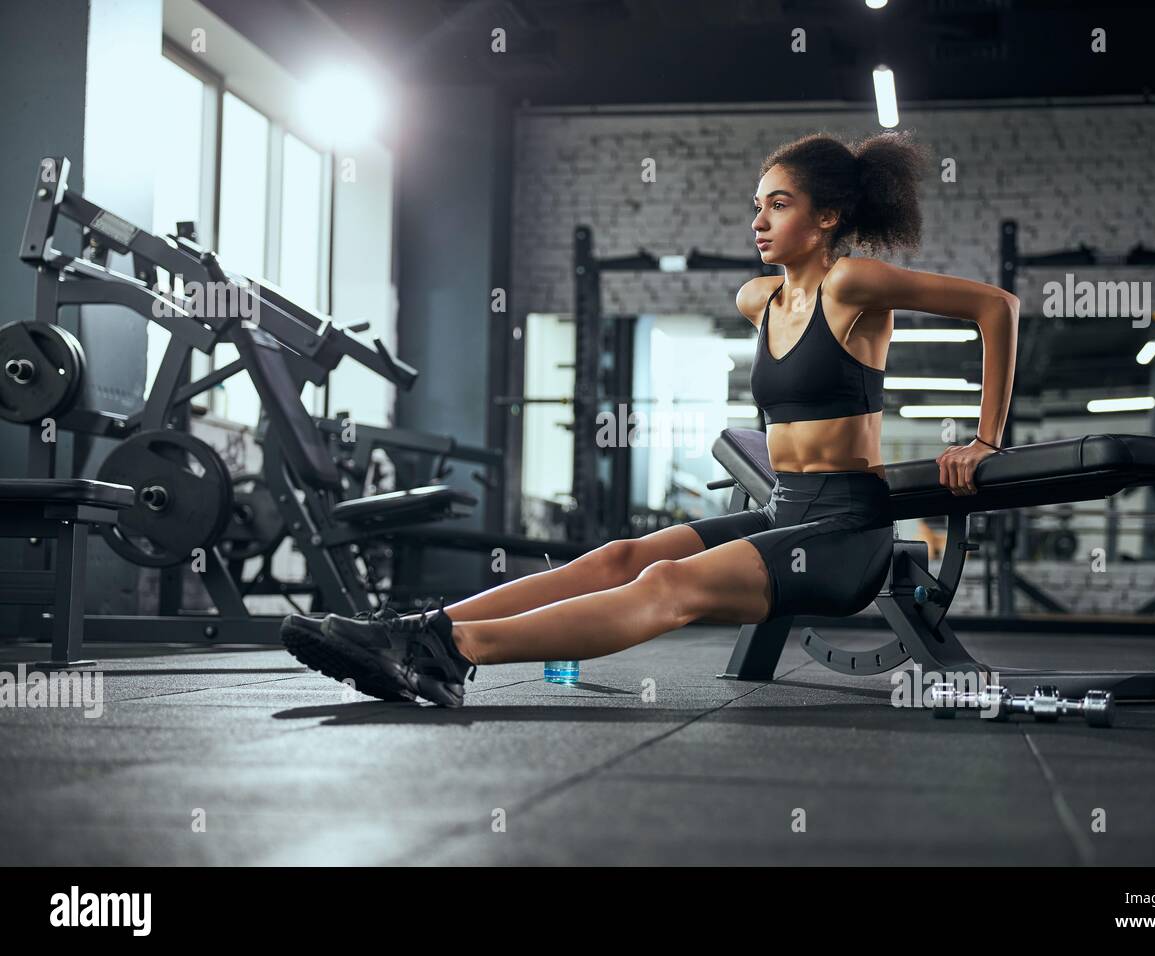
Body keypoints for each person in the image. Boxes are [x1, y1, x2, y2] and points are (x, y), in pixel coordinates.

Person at [280, 130, 1019, 707]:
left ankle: (446, 651)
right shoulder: (758, 302)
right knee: (615, 559)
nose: (758, 219)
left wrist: (984, 438)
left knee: (666, 581)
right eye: (757, 204)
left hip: (843, 535)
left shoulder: (852, 283)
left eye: (779, 204)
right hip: (784, 509)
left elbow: (998, 306)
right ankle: (414, 631)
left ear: (826, 217)